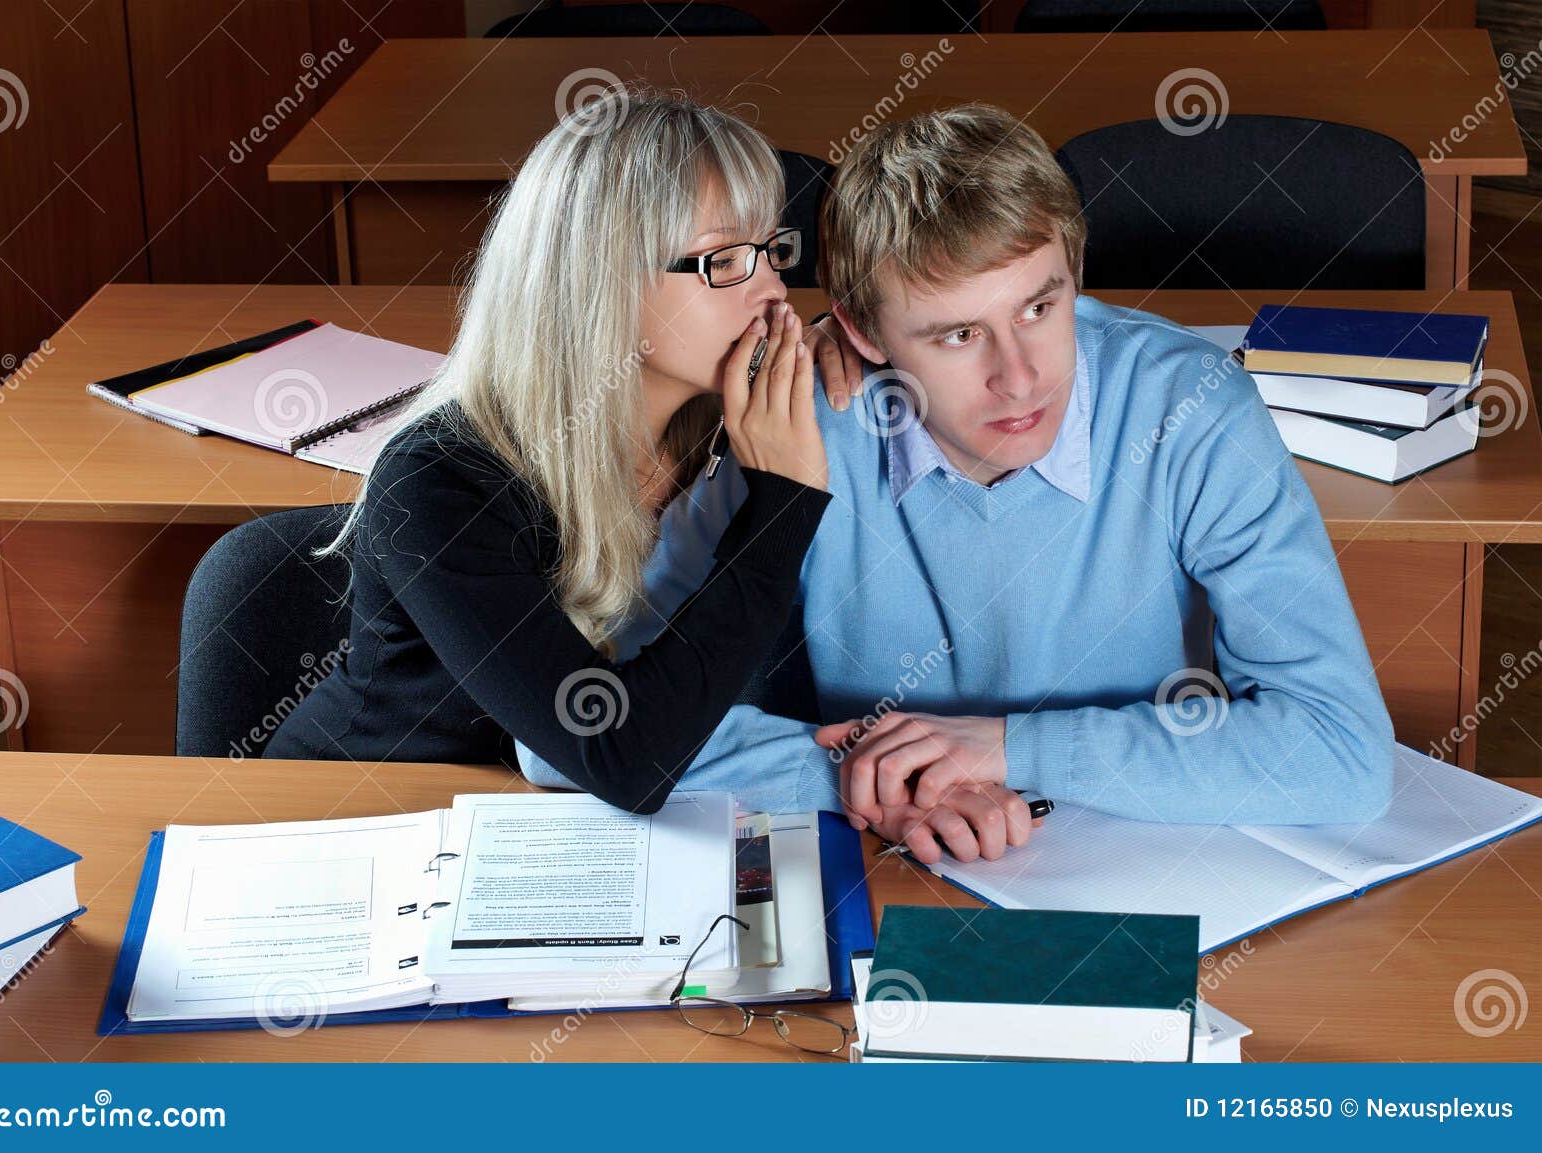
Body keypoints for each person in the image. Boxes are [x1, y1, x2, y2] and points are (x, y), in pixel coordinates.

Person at [518, 103, 1395, 859]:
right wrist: (875, 777)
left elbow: (1341, 748)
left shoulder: (1192, 407)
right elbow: (572, 737)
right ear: (861, 334)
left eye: (1040, 307)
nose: (1021, 377)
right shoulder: (803, 421)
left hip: (1150, 859)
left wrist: (1008, 751)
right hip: (889, 859)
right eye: (957, 336)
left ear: (1075, 275)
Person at [267, 91, 832, 816]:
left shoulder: (719, 424)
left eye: (771, 250)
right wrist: (783, 505)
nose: (774, 292)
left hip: (549, 825)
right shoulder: (436, 482)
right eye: (725, 260)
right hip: (361, 820)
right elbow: (624, 756)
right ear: (601, 279)